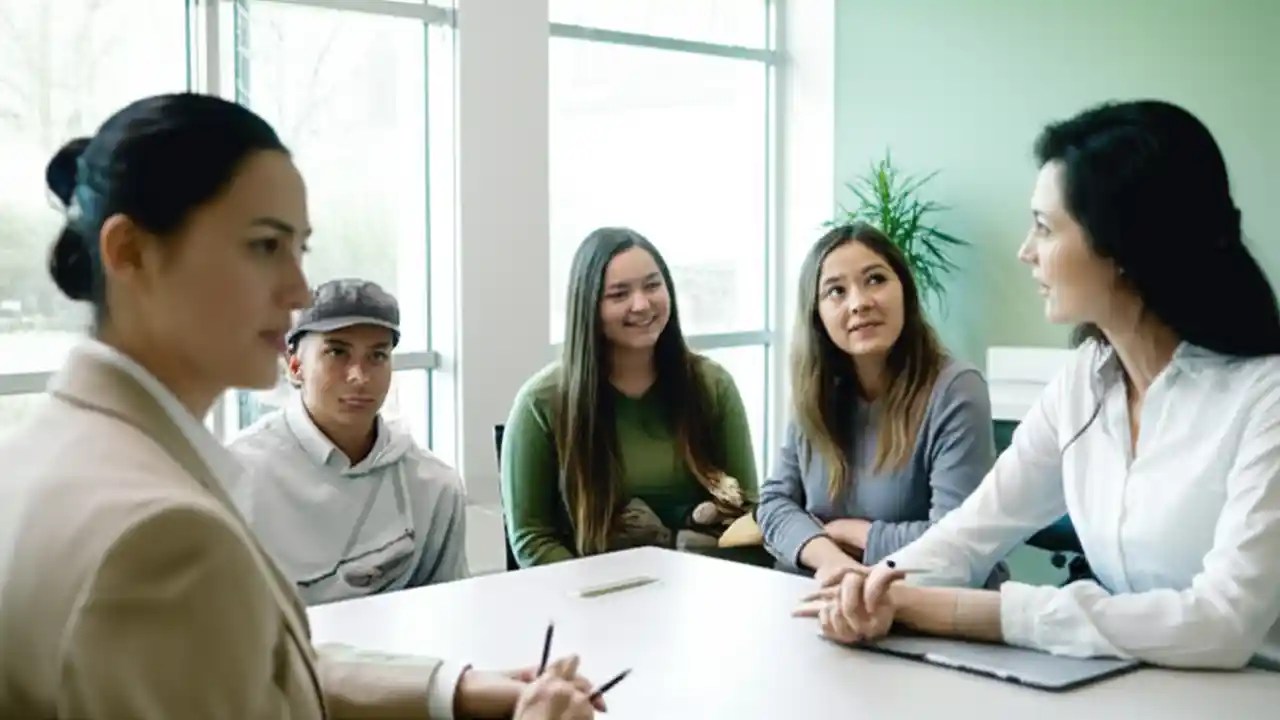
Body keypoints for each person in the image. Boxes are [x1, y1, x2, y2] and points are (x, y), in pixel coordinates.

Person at [0, 93, 601, 718]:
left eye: (299, 249)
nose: (298, 289)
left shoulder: (44, 459)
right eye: (265, 246)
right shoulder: (161, 533)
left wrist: (456, 688)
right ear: (129, 252)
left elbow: (256, 657)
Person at [797, 99, 1280, 671]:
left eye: (1045, 228)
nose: (1025, 251)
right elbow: (973, 531)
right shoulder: (1083, 382)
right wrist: (876, 589)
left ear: (1122, 246)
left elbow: (1222, 625)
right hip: (1134, 686)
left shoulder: (1264, 398)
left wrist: (961, 612)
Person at [501, 227, 759, 567]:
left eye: (653, 285)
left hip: (699, 590)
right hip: (585, 597)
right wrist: (595, 596)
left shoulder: (712, 385)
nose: (642, 304)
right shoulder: (541, 403)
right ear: (588, 305)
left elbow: (749, 512)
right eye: (619, 294)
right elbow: (532, 539)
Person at [757, 223, 996, 584]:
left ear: (905, 291)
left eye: (875, 280)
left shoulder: (956, 390)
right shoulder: (815, 391)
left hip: (930, 603)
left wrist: (857, 534)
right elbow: (774, 502)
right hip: (826, 595)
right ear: (817, 315)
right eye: (836, 291)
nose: (859, 303)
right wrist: (832, 560)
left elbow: (957, 540)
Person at [226, 278, 468, 606]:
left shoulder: (434, 487)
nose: (359, 376)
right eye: (337, 352)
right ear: (295, 366)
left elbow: (449, 612)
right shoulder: (234, 476)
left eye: (377, 356)